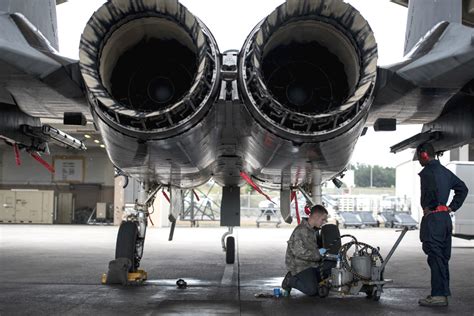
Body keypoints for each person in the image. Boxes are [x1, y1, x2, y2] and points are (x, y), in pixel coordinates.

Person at [415, 143, 468, 307]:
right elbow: (463, 189)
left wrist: (429, 207)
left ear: (424, 155)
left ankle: (438, 295)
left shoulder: (429, 173)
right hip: (445, 218)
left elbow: (431, 195)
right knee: (442, 258)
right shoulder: (445, 172)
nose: (418, 161)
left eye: (419, 157)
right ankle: (441, 293)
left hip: (434, 220)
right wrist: (451, 206)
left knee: (436, 257)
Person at [281, 204, 329, 296]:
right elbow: (299, 253)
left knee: (332, 267)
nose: (324, 222)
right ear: (315, 216)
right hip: (300, 266)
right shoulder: (300, 231)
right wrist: (318, 254)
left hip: (311, 264)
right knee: (312, 291)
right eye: (323, 219)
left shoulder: (312, 230)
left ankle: (313, 279)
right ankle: (290, 280)